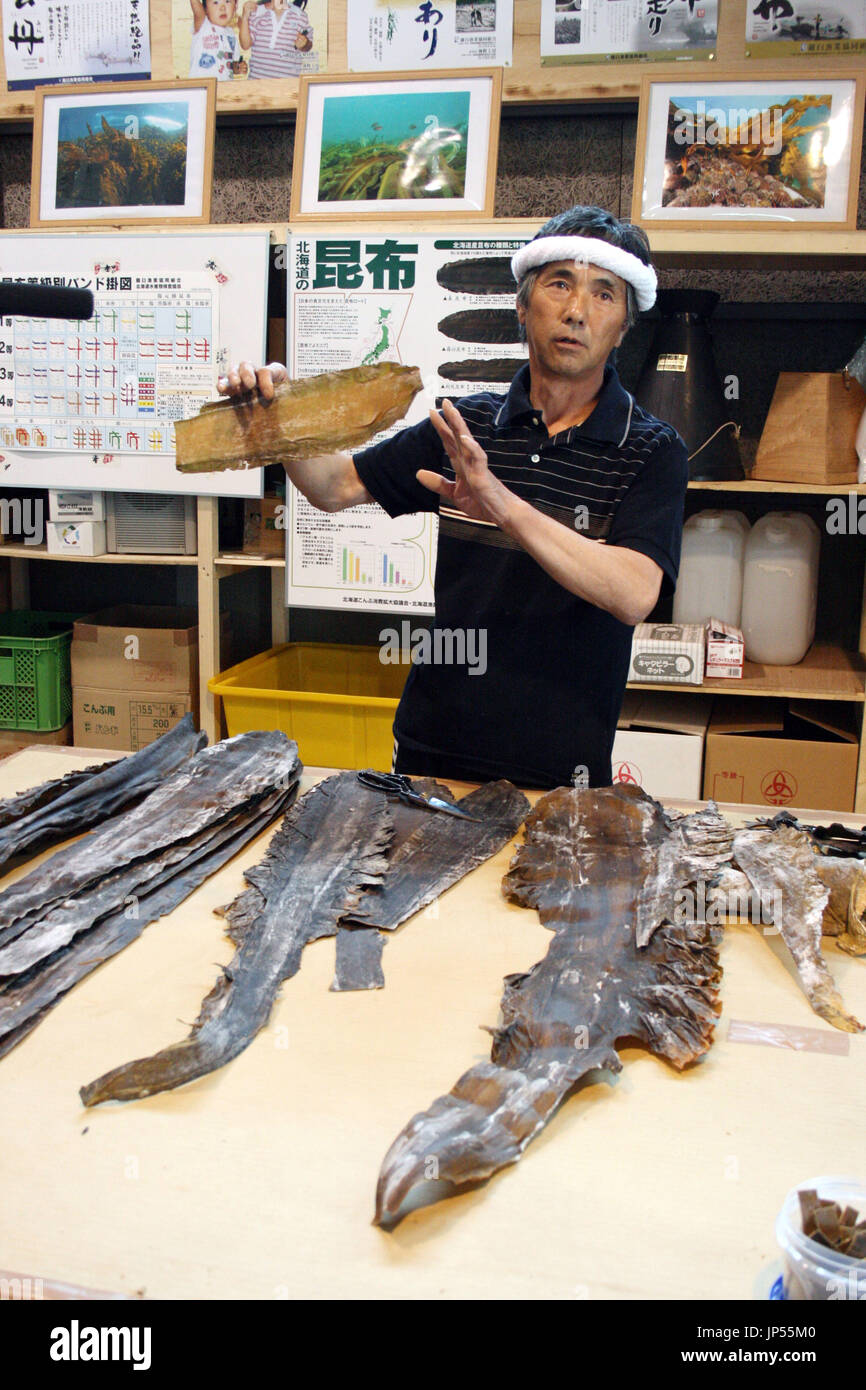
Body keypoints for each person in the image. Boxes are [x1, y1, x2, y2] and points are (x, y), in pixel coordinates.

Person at [219, 206, 689, 789]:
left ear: (624, 324)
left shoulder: (650, 449)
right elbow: (335, 487)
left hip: (559, 768)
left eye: (603, 294)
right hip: (431, 749)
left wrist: (501, 505)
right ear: (523, 305)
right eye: (559, 284)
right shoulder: (466, 425)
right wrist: (279, 420)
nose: (576, 311)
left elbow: (634, 592)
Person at [239, 0, 313, 79]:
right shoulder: (258, 12)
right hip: (257, 82)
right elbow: (245, 45)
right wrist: (245, 17)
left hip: (287, 85)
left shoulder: (300, 15)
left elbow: (308, 46)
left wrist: (304, 43)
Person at [189, 0, 247, 80]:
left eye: (227, 1)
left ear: (235, 6)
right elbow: (197, 10)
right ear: (205, 9)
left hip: (224, 89)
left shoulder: (231, 34)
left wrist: (238, 67)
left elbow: (230, 65)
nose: (222, 8)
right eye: (215, 2)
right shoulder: (204, 26)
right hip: (203, 89)